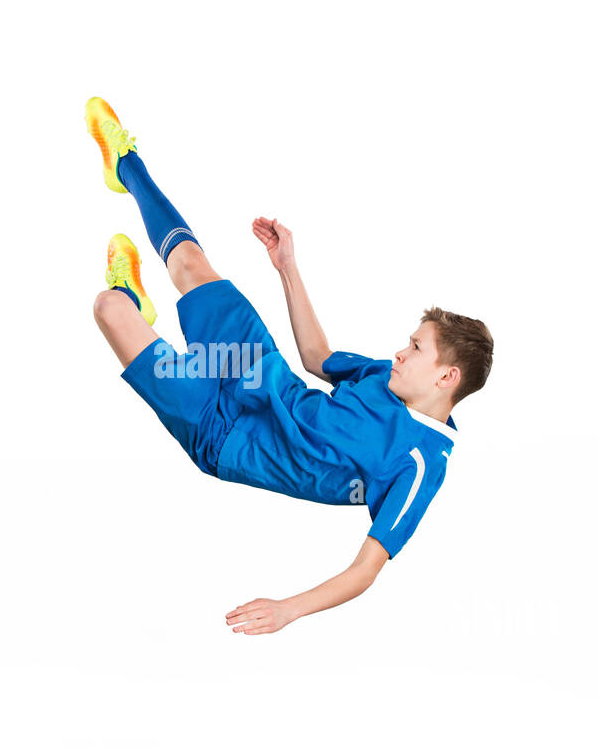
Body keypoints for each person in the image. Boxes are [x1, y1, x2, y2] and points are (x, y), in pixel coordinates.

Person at [86, 97, 494, 635]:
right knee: (188, 263)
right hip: (257, 368)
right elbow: (316, 359)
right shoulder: (384, 378)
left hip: (222, 435)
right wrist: (287, 268)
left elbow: (366, 569)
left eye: (415, 349)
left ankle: (133, 305)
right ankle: (126, 166)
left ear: (447, 378)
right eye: (407, 342)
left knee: (108, 308)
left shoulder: (420, 463)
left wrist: (288, 609)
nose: (399, 352)